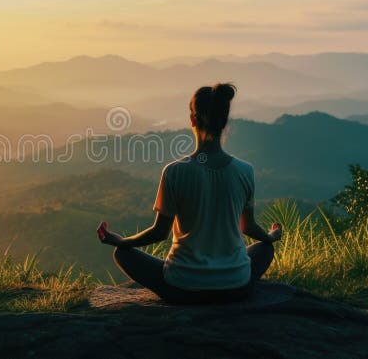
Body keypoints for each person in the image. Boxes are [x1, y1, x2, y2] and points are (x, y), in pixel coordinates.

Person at [98, 83, 282, 304]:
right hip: (235, 286)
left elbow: (159, 233)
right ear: (225, 124)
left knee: (122, 254)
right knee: (265, 249)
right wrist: (271, 237)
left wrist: (122, 241)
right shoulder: (245, 171)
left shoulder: (175, 172)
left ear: (192, 120)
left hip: (183, 287)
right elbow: (248, 227)